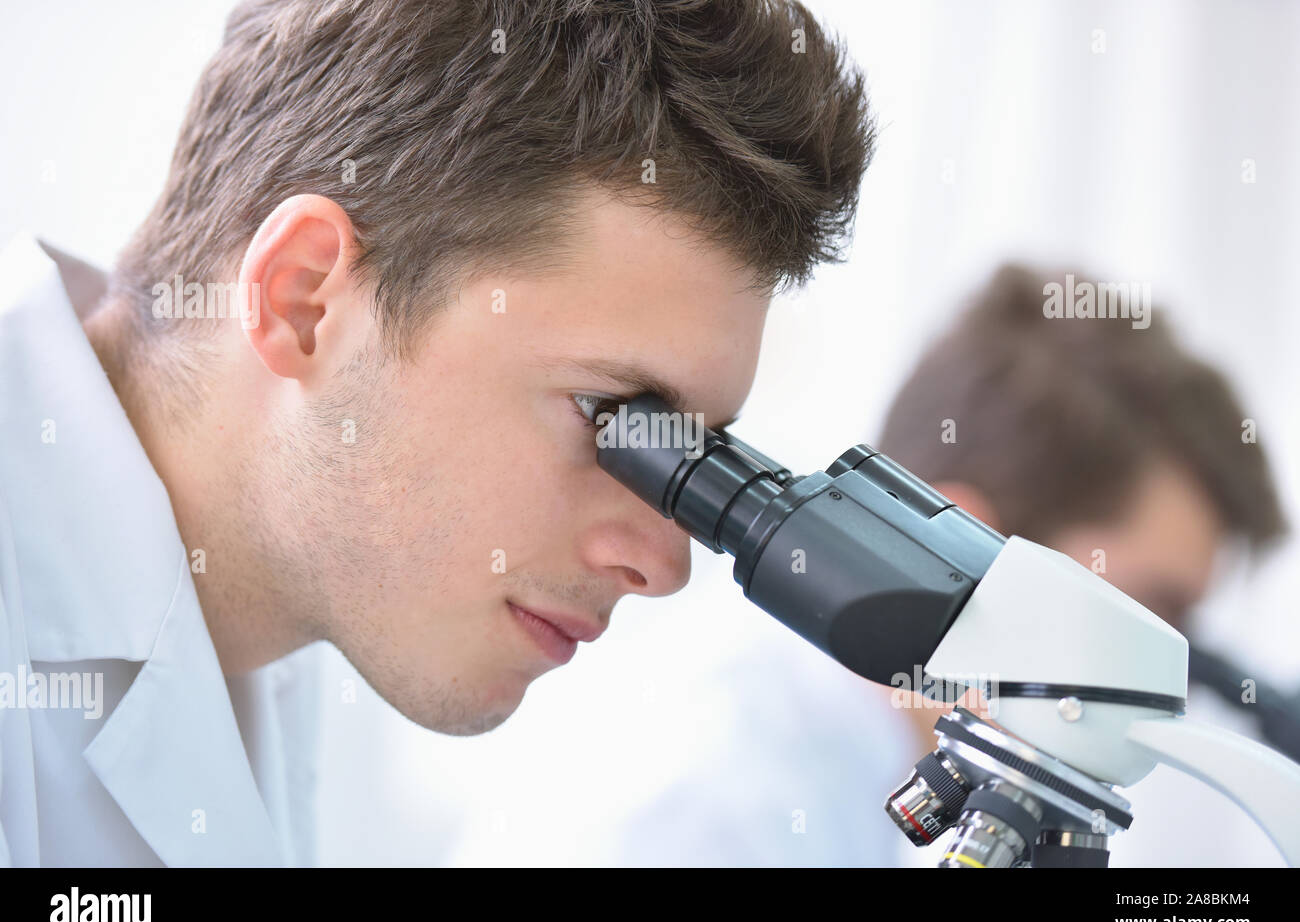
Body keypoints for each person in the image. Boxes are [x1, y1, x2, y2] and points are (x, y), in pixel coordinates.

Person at [0, 0, 877, 865]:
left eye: (689, 454)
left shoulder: (282, 606)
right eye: (613, 418)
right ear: (303, 299)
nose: (665, 564)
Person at [598, 262, 1289, 866]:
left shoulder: (859, 774)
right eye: (1153, 612)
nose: (1182, 669)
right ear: (978, 551)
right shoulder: (719, 816)